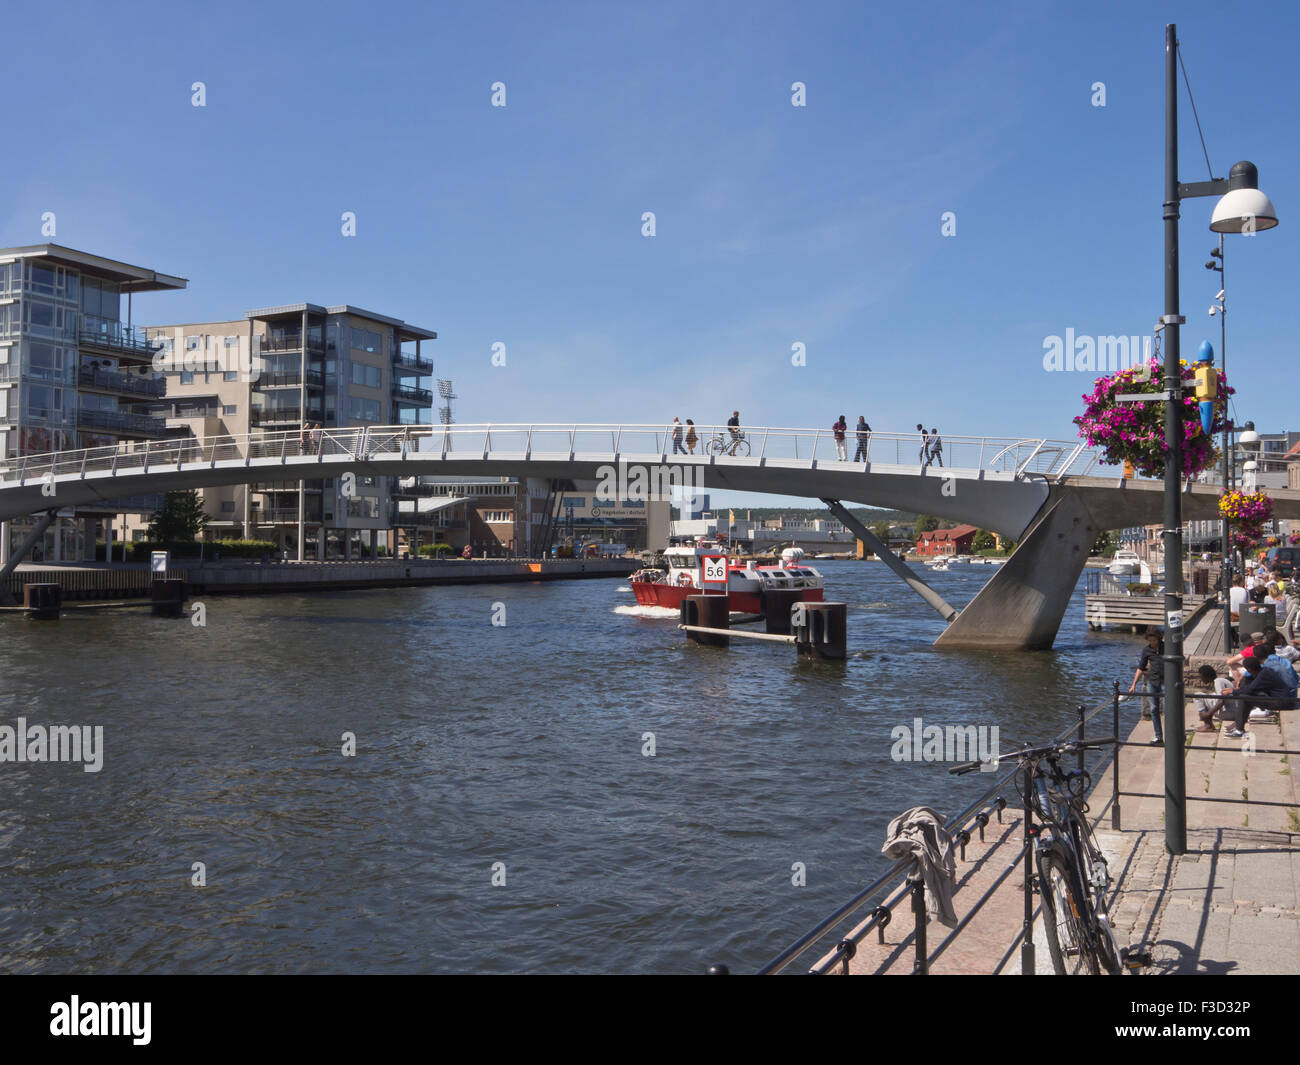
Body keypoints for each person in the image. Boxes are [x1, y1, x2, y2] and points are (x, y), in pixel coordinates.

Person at [1225, 652, 1291, 737]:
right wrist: (1236, 690)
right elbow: (1251, 688)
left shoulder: (1263, 675)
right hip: (1279, 698)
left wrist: (1232, 691)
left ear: (1249, 670)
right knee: (1246, 695)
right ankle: (1239, 725)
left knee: (1244, 698)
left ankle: (1239, 730)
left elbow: (1250, 690)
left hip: (1280, 702)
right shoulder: (1264, 671)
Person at [1129, 627, 1165, 745]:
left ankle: (1172, 734)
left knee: (1167, 708)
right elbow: (1141, 668)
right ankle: (1158, 736)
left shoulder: (1167, 647)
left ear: (1159, 639)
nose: (1152, 643)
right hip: (1152, 681)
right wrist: (1133, 684)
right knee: (1154, 709)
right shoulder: (1146, 650)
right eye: (1150, 641)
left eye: (1154, 640)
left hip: (1166, 681)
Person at [1193, 664, 1234, 733]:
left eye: (1201, 676)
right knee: (1210, 696)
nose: (1201, 679)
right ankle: (1208, 724)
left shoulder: (1218, 681)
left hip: (1229, 712)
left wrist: (1207, 714)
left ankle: (1208, 725)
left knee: (1197, 696)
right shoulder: (1219, 681)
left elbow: (1221, 701)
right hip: (1230, 711)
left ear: (1206, 675)